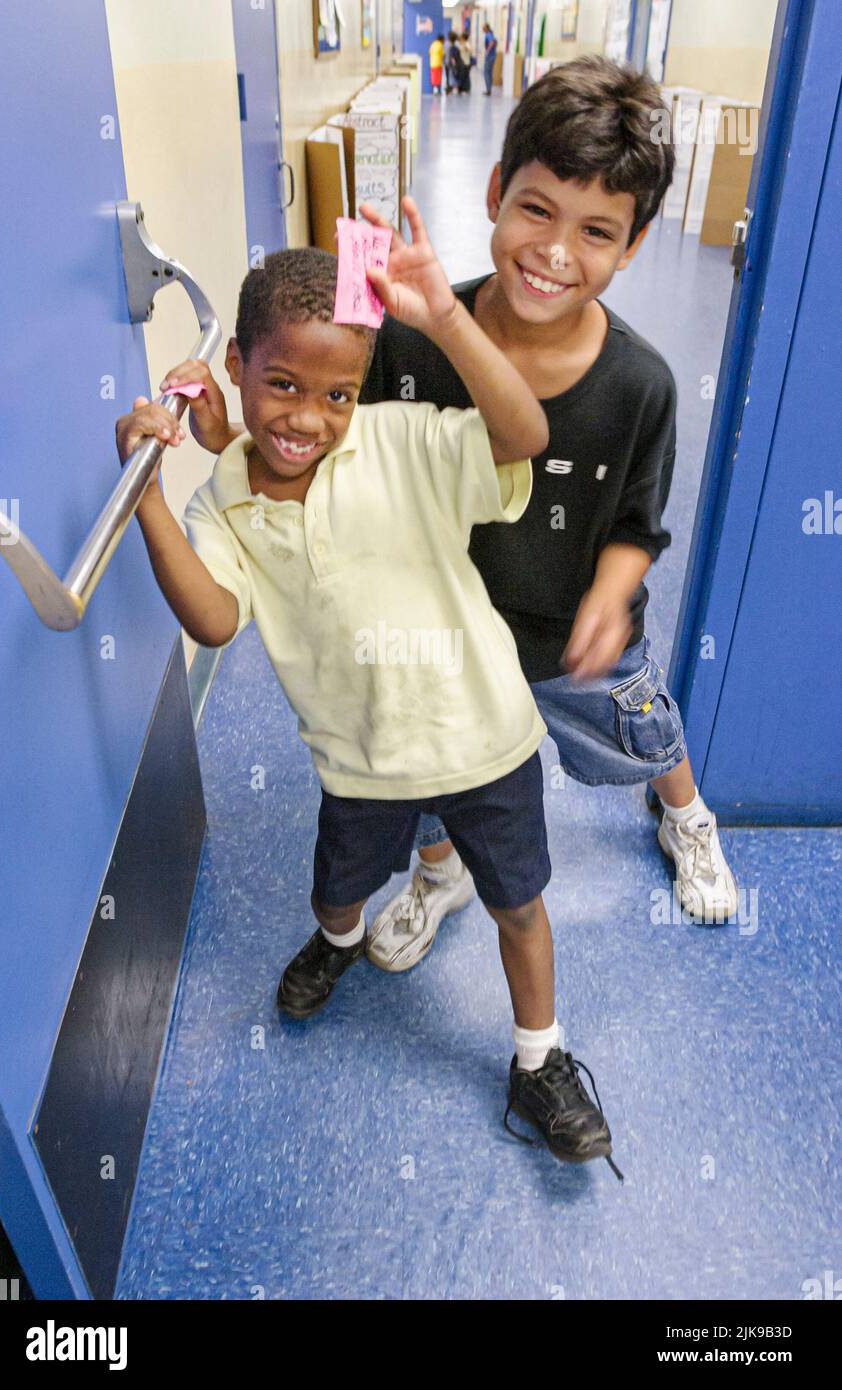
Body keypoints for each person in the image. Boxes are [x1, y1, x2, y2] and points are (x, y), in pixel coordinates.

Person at [114, 198, 622, 1177]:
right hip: (358, 757)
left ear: (361, 392)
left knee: (519, 905)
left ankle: (537, 1056)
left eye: (336, 394)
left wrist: (442, 315)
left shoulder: (398, 442)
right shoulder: (223, 499)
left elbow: (518, 433)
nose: (309, 417)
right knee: (338, 889)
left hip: (481, 736)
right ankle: (336, 942)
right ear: (235, 370)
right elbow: (214, 619)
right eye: (281, 385)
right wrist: (146, 502)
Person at [349, 56, 739, 970]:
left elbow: (641, 524)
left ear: (633, 245)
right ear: (494, 192)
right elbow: (344, 445)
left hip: (575, 633)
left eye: (597, 231)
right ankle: (439, 874)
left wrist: (615, 591)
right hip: (450, 626)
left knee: (645, 729)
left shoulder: (639, 384)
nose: (558, 251)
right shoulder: (411, 333)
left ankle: (685, 815)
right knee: (438, 763)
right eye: (536, 209)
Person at [447, 31, 465, 95]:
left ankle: (453, 89)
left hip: (454, 65)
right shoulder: (457, 48)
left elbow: (452, 58)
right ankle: (457, 88)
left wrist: (454, 66)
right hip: (458, 64)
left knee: (452, 77)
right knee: (456, 76)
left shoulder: (451, 48)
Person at [482, 22, 497, 96]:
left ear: (486, 28)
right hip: (493, 56)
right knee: (489, 72)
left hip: (490, 56)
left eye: (483, 28)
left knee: (486, 73)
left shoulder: (488, 35)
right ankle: (489, 89)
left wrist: (487, 51)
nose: (482, 29)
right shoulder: (491, 34)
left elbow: (491, 43)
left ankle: (488, 90)